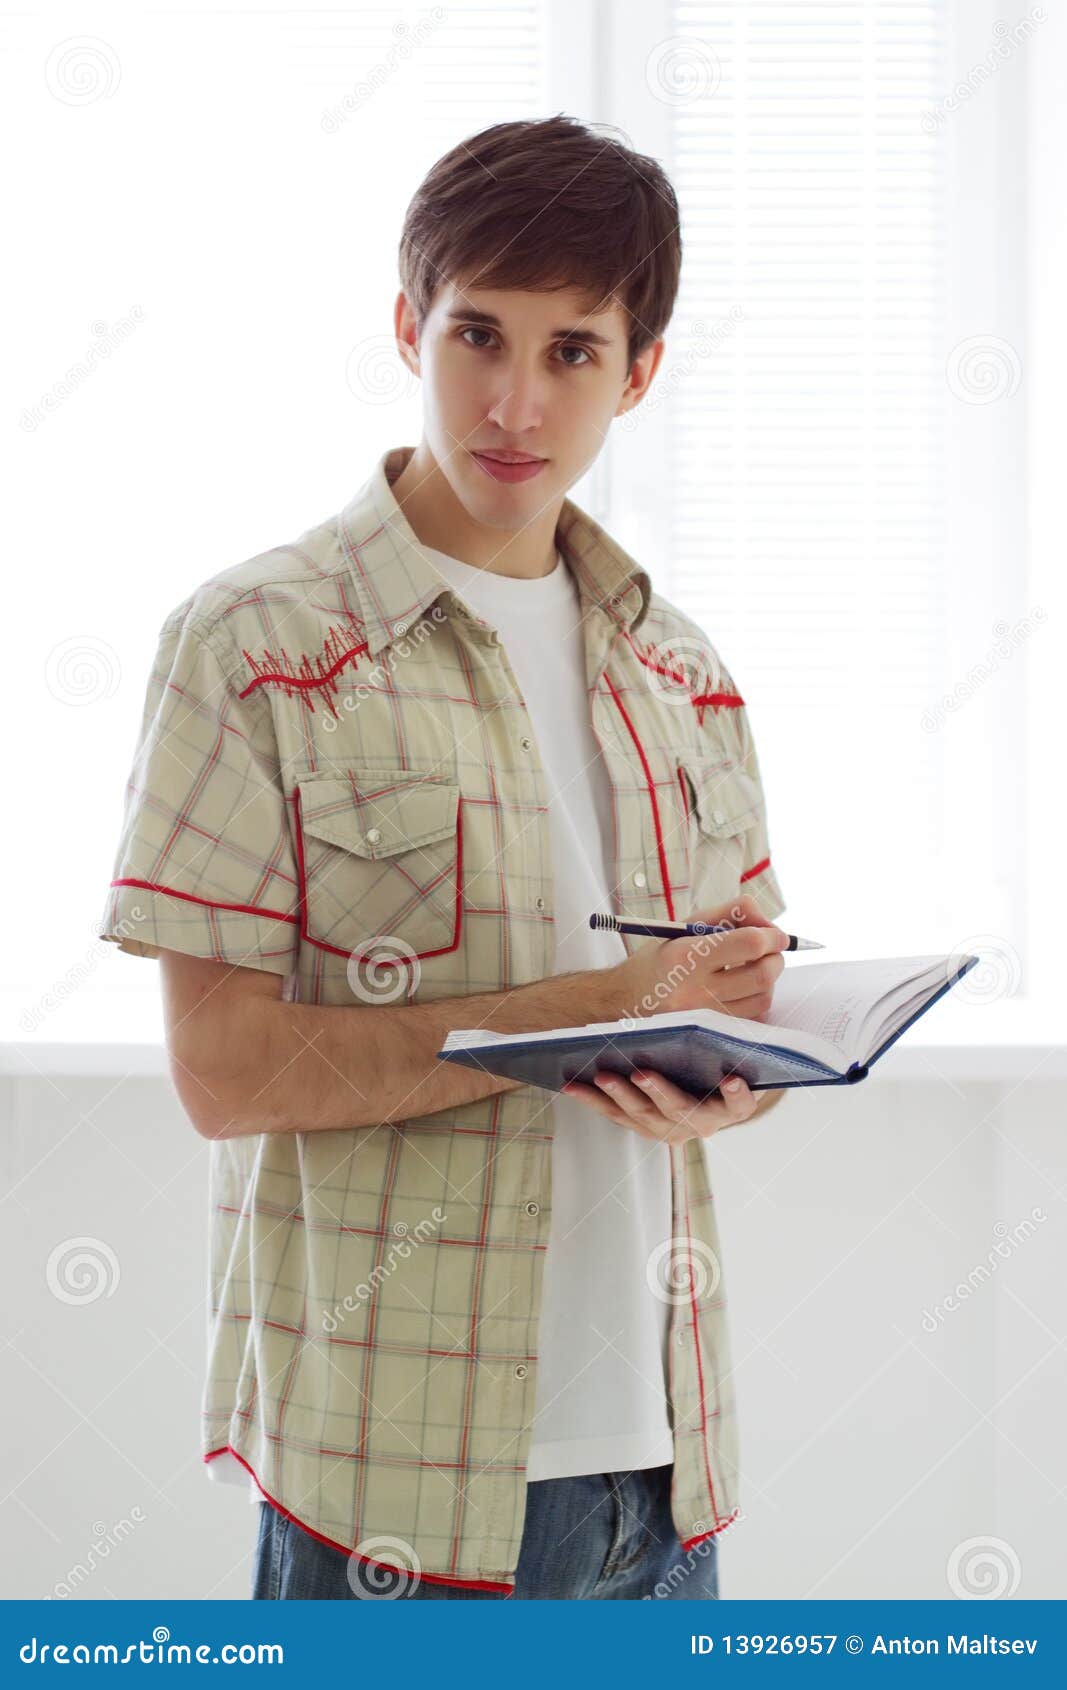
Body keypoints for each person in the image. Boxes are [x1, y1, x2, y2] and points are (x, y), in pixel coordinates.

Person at [98, 113, 790, 1601]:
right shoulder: (257, 647)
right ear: (411, 324)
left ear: (641, 370)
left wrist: (722, 1066)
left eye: (573, 351)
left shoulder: (684, 666)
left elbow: (729, 996)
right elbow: (223, 1070)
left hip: (671, 1477)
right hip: (402, 1490)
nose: (515, 398)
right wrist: (599, 1005)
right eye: (478, 332)